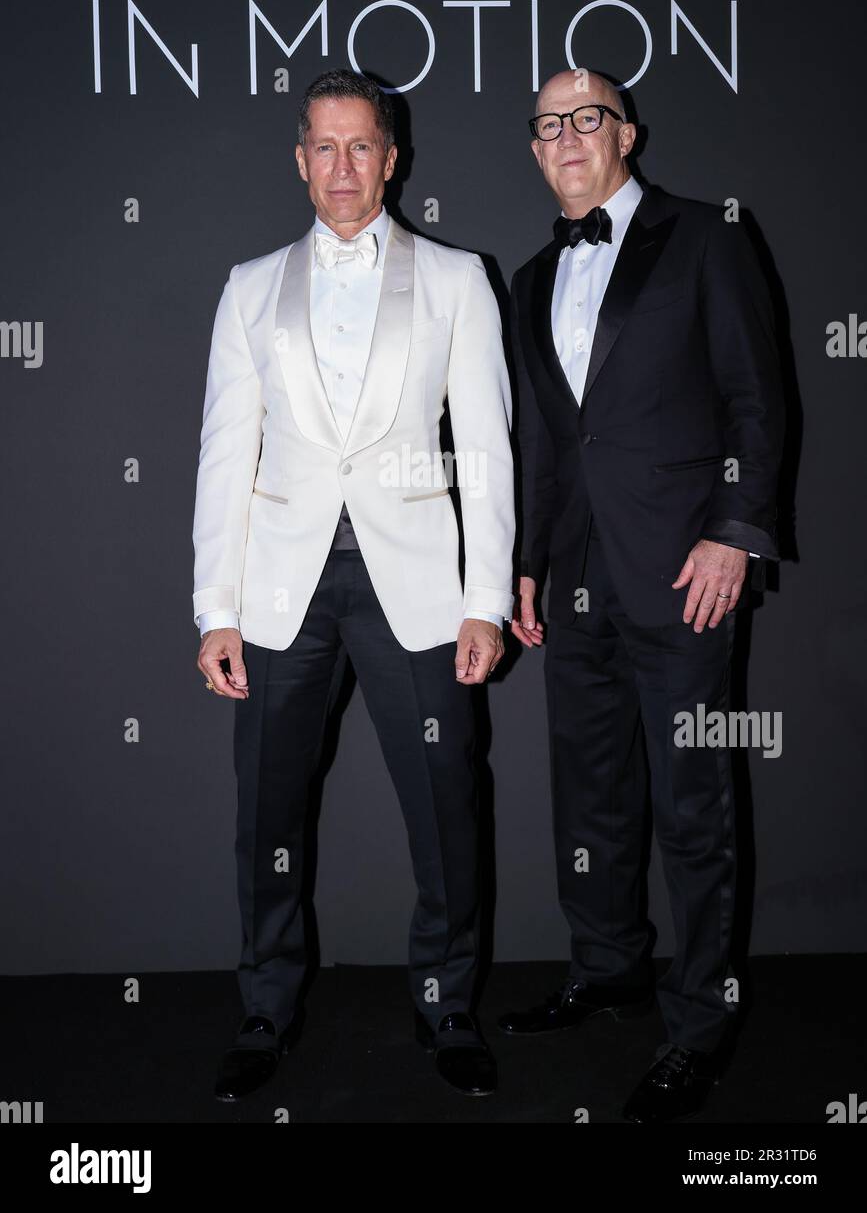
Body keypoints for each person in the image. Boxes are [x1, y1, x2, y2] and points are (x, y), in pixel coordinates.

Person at [192, 69, 515, 1101]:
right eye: (323, 147)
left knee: (446, 803)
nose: (342, 167)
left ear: (393, 156)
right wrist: (217, 610)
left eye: (361, 146)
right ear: (300, 159)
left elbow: (493, 451)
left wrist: (487, 596)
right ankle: (265, 1005)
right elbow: (220, 455)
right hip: (283, 589)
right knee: (268, 816)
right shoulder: (248, 286)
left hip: (416, 582)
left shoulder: (460, 280)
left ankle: (447, 1003)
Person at [501, 67, 785, 1122]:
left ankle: (701, 1023)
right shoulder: (530, 280)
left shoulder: (705, 236)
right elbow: (544, 442)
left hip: (685, 575)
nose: (567, 136)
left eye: (588, 118)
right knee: (593, 795)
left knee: (693, 807)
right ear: (534, 149)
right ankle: (608, 963)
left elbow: (760, 396)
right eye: (548, 124)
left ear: (627, 134)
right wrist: (524, 562)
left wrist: (734, 533)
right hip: (573, 580)